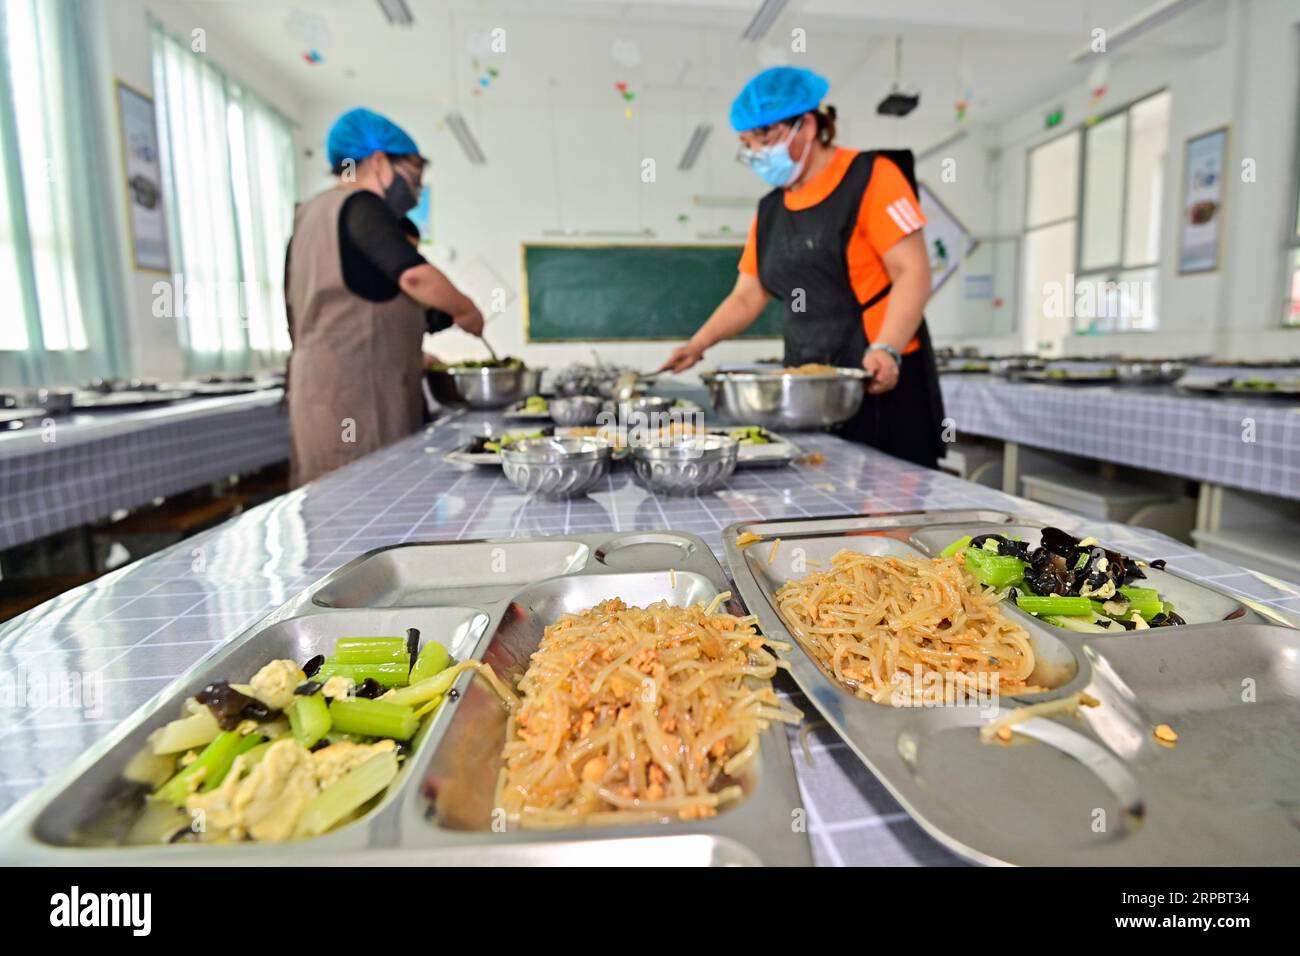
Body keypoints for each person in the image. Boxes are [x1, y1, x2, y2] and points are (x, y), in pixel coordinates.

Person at [661, 67, 946, 468]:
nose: (756, 154)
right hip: (809, 387)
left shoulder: (872, 177)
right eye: (747, 144)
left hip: (879, 376)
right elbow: (747, 295)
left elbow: (913, 271)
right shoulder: (771, 210)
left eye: (763, 139)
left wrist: (888, 347)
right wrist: (697, 345)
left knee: (887, 511)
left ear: (807, 126)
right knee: (817, 495)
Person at [284, 108, 485, 486]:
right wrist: (466, 309)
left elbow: (350, 307)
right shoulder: (360, 204)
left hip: (324, 394)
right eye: (414, 177)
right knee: (367, 503)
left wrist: (415, 344)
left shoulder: (311, 217)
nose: (416, 191)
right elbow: (413, 276)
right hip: (356, 400)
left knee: (337, 509)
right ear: (379, 162)